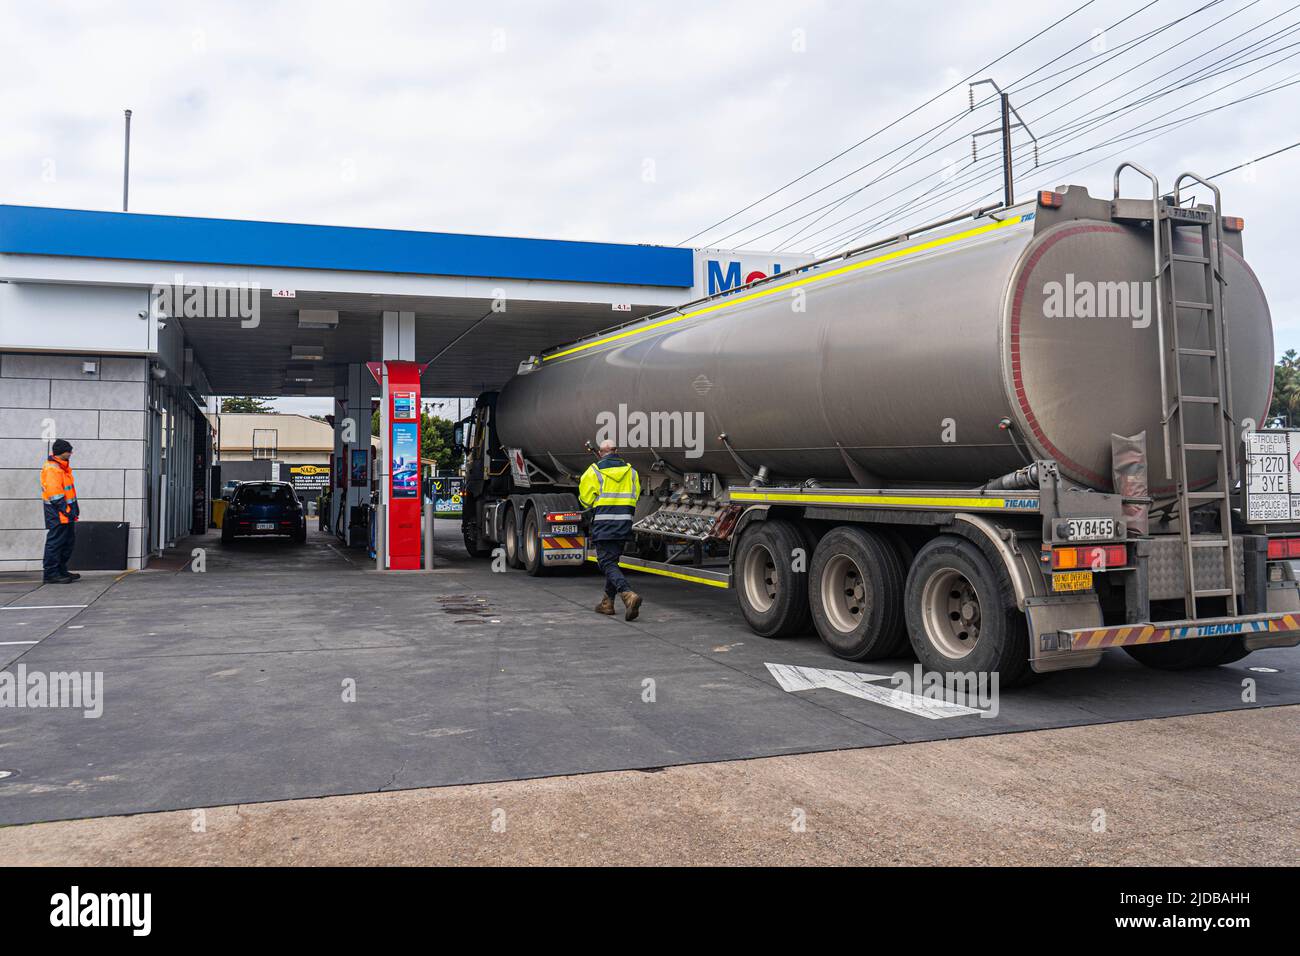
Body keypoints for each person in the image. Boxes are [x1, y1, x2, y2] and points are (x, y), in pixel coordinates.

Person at [578, 439, 642, 620]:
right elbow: (636, 495)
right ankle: (607, 603)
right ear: (616, 451)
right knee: (612, 561)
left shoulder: (594, 472)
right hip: (624, 524)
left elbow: (585, 500)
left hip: (604, 524)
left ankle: (628, 594)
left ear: (600, 453)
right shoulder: (632, 473)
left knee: (606, 563)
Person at [40, 438, 80, 584]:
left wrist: (73, 510)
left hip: (66, 513)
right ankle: (51, 573)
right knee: (55, 543)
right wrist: (67, 509)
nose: (71, 453)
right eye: (68, 451)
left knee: (67, 542)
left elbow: (68, 492)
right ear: (61, 452)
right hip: (58, 513)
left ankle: (61, 570)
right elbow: (55, 494)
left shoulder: (62, 468)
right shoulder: (52, 468)